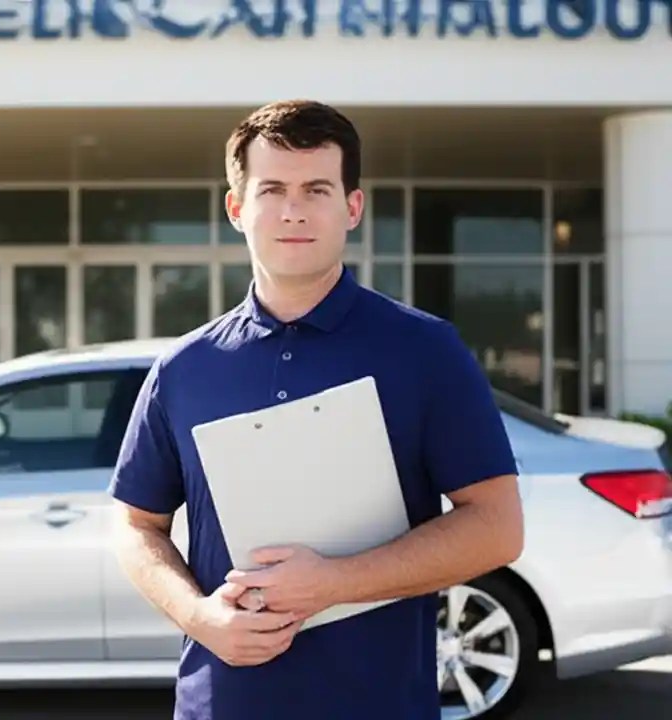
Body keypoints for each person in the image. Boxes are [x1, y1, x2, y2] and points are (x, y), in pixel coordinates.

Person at [107, 99, 525, 719]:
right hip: (221, 705)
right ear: (236, 208)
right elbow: (136, 525)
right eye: (272, 188)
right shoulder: (185, 368)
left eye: (317, 189)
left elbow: (497, 526)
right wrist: (200, 616)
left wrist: (333, 582)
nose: (294, 210)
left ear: (351, 208)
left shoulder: (424, 350)